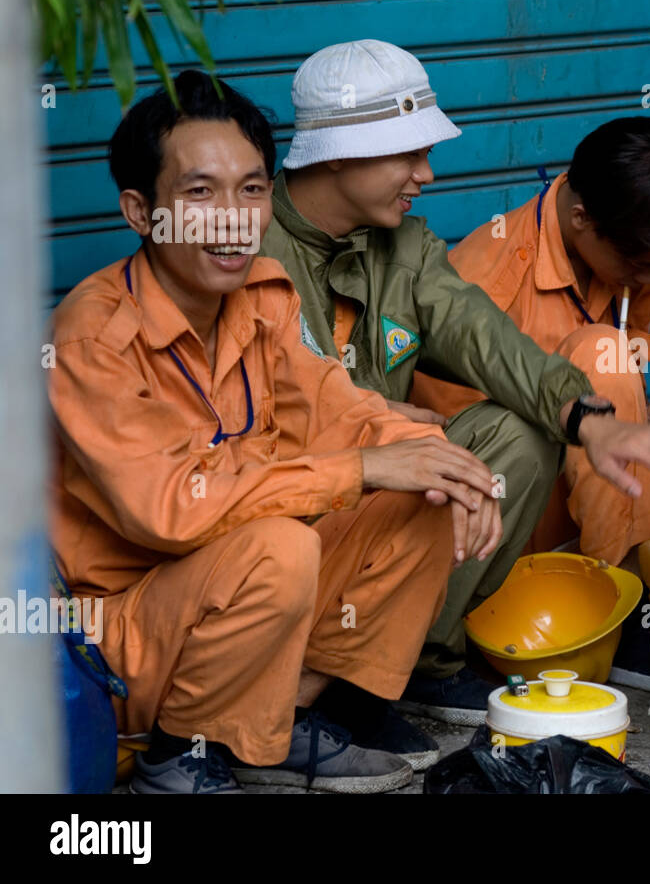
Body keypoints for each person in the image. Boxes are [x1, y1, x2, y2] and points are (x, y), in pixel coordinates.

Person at [50, 71, 505, 793]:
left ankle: (269, 724)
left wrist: (445, 463)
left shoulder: (258, 297)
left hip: (239, 606)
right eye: (200, 194)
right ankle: (177, 755)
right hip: (124, 637)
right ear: (141, 211)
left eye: (252, 190)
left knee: (421, 492)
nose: (233, 218)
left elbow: (338, 404)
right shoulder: (92, 338)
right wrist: (361, 468)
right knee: (281, 545)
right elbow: (171, 511)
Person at [259, 41, 650, 720]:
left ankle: (419, 662)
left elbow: (489, 343)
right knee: (439, 455)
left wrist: (595, 423)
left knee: (517, 431)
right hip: (291, 511)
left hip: (395, 499)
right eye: (408, 155)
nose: (428, 174)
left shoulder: (406, 247)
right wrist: (396, 426)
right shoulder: (246, 252)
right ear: (342, 152)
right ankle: (333, 679)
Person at [419, 117, 650, 569]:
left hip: (594, 493)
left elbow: (620, 375)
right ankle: (629, 586)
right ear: (581, 219)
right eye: (639, 263)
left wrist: (636, 414)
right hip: (492, 520)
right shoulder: (483, 283)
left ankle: (634, 583)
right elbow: (460, 450)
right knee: (605, 354)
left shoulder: (626, 253)